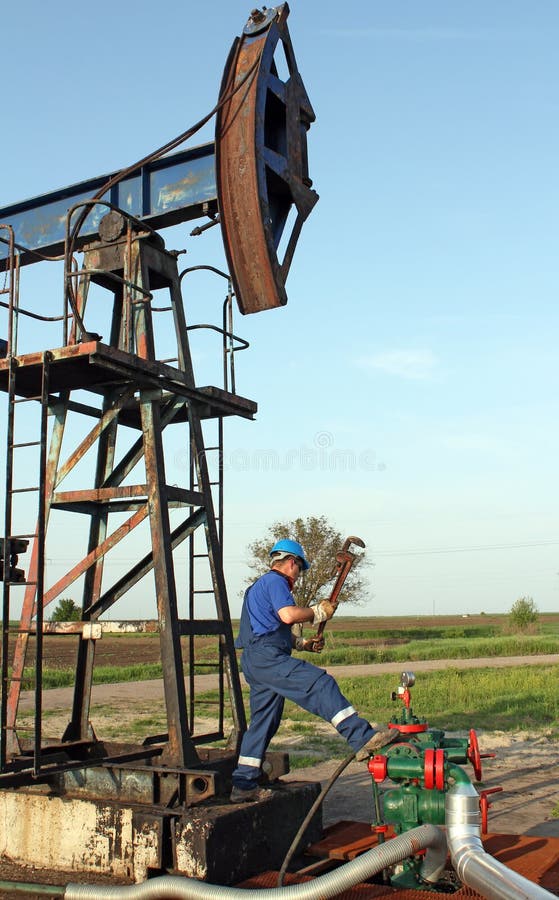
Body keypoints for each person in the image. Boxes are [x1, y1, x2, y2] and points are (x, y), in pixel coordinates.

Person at [230, 538, 398, 802]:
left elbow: (270, 631)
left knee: (263, 722)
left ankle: (243, 783)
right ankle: (362, 737)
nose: (299, 574)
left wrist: (303, 644)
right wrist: (317, 612)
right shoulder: (275, 582)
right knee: (320, 684)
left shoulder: (256, 588)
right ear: (290, 562)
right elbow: (287, 616)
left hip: (257, 660)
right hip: (267, 659)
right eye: (299, 568)